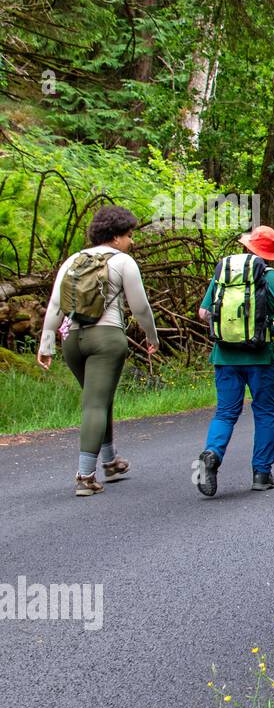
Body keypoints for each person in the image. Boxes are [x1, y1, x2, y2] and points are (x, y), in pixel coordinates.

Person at [37, 205, 160, 496]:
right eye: (129, 235)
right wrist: (152, 336)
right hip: (106, 340)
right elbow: (140, 307)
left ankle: (110, 461)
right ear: (116, 237)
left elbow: (56, 306)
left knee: (98, 399)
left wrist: (46, 344)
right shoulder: (124, 262)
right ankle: (85, 477)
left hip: (73, 341)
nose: (132, 241)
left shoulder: (73, 260)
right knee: (95, 404)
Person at [194, 225, 274, 496]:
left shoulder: (224, 274)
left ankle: (212, 455)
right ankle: (262, 473)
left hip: (225, 356)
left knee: (226, 412)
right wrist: (268, 328)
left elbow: (203, 313)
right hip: (261, 359)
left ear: (247, 248)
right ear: (271, 254)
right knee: (263, 413)